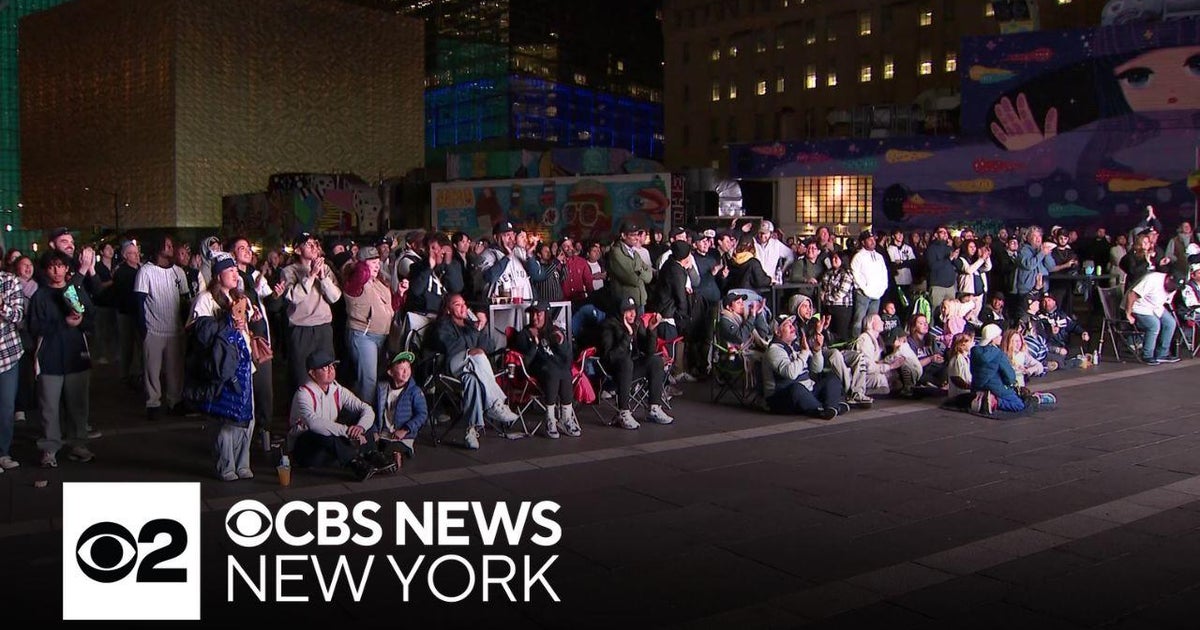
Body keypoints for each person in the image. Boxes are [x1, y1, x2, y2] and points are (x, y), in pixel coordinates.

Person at [184, 253, 255, 481]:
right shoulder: (205, 299)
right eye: (230, 270)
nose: (235, 274)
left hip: (244, 362)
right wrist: (226, 321)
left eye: (236, 270)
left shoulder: (240, 297)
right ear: (218, 275)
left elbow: (250, 322)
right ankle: (226, 464)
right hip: (222, 364)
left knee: (247, 415)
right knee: (225, 415)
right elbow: (200, 332)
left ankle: (243, 462)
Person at [29, 251, 95, 468]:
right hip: (50, 358)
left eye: (60, 266)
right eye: (51, 266)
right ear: (46, 270)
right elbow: (35, 327)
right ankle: (50, 448)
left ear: (68, 268)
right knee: (49, 407)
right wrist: (63, 322)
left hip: (76, 356)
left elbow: (91, 321)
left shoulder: (76, 290)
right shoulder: (40, 296)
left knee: (78, 404)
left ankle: (78, 444)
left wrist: (81, 321)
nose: (56, 271)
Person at [430, 294, 520, 449]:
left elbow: (490, 347)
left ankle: (471, 430)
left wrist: (479, 329)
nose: (463, 307)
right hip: (451, 368)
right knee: (477, 353)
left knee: (473, 381)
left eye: (464, 303)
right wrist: (472, 346)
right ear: (448, 310)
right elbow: (450, 348)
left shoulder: (470, 325)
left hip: (471, 370)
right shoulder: (442, 325)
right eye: (457, 304)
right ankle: (496, 403)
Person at [288, 350, 392, 481]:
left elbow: (366, 408)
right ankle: (354, 463)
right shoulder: (304, 393)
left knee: (360, 419)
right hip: (307, 449)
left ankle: (371, 454)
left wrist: (360, 428)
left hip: (329, 447)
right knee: (322, 432)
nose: (330, 370)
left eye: (332, 366)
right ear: (312, 373)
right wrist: (346, 431)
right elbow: (314, 423)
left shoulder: (337, 389)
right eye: (324, 368)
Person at [134, 234, 190, 421]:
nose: (170, 248)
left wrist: (184, 326)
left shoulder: (178, 272)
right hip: (154, 328)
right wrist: (144, 330)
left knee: (175, 369)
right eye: (166, 245)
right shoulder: (146, 272)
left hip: (175, 330)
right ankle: (153, 403)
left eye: (171, 245)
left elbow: (184, 301)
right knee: (152, 369)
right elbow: (139, 301)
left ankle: (174, 401)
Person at [599, 296, 674, 429]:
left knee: (655, 361)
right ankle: (623, 412)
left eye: (634, 310)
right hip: (615, 373)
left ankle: (654, 408)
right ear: (621, 312)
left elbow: (649, 351)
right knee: (626, 362)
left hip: (631, 369)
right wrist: (627, 335)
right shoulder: (608, 326)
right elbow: (610, 357)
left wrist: (651, 330)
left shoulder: (636, 324)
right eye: (628, 311)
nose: (633, 314)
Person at [280, 232, 342, 392]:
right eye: (308, 244)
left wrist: (323, 278)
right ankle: (303, 414)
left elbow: (335, 297)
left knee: (327, 375)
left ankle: (326, 412)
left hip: (323, 328)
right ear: (298, 250)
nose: (314, 247)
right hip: (301, 330)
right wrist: (311, 275)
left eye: (315, 243)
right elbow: (294, 297)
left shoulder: (326, 268)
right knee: (303, 377)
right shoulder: (288, 271)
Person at [512, 300, 581, 439]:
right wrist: (535, 344)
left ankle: (565, 418)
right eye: (532, 314)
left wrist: (561, 344)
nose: (535, 318)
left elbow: (567, 359)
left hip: (555, 370)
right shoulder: (524, 334)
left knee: (565, 372)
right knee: (553, 371)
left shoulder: (553, 331)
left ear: (546, 315)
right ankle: (550, 418)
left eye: (539, 314)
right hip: (535, 370)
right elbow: (524, 362)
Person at [761, 314, 844, 419]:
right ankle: (824, 408)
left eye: (792, 324)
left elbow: (816, 369)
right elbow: (791, 373)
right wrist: (804, 352)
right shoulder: (774, 350)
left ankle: (831, 407)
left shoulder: (795, 346)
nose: (792, 327)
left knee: (832, 378)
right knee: (796, 388)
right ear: (777, 332)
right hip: (781, 398)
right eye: (787, 325)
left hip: (807, 392)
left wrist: (817, 350)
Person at [342, 246, 395, 401]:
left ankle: (367, 412)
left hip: (382, 336)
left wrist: (400, 294)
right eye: (372, 262)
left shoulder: (378, 282)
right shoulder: (355, 283)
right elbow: (361, 274)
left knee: (373, 378)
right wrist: (361, 263)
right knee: (368, 380)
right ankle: (366, 419)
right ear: (362, 265)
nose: (377, 266)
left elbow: (390, 307)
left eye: (378, 262)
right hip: (363, 336)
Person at [373, 351, 427, 470]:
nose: (406, 371)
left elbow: (422, 415)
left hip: (402, 436)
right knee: (369, 445)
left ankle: (395, 455)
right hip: (384, 433)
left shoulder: (415, 391)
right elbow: (375, 411)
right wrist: (375, 430)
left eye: (408, 367)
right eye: (401, 368)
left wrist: (405, 429)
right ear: (391, 372)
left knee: (393, 447)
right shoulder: (382, 388)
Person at [0, 265, 26, 471]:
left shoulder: (9, 280)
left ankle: (3, 452)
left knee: (6, 407)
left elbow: (18, 316)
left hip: (7, 355)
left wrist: (2, 306)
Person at [1125, 271, 1179, 365]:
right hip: (1138, 306)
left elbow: (1166, 302)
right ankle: (1147, 355)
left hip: (1155, 306)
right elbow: (1132, 294)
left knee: (1170, 323)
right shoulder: (1153, 279)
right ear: (1169, 278)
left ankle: (1162, 354)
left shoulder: (1174, 287)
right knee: (1154, 325)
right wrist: (1128, 313)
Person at [969, 324, 1025, 414]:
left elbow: (971, 370)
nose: (1001, 337)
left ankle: (981, 396)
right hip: (995, 387)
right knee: (1018, 404)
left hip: (977, 386)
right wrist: (1012, 384)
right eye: (998, 335)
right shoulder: (998, 353)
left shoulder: (974, 351)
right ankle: (994, 402)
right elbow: (1009, 375)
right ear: (993, 338)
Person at [479, 221, 534, 302]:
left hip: (524, 305)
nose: (511, 238)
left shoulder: (520, 252)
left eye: (512, 235)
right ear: (496, 237)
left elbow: (537, 276)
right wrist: (507, 258)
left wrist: (530, 255)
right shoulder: (488, 254)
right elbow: (490, 277)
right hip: (501, 307)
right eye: (507, 235)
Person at [605, 221, 654, 313]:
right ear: (623, 235)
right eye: (632, 235)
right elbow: (632, 279)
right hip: (626, 302)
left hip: (640, 300)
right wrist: (641, 272)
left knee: (640, 327)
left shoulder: (634, 253)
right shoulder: (616, 252)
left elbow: (649, 277)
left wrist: (638, 271)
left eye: (637, 235)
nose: (636, 238)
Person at [849, 230, 888, 337]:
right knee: (859, 321)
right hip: (863, 294)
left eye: (873, 239)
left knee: (872, 322)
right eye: (869, 240)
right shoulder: (858, 256)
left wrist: (883, 287)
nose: (872, 241)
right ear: (863, 242)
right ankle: (856, 345)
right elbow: (855, 274)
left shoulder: (879, 256)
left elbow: (884, 273)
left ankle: (871, 343)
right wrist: (864, 288)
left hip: (877, 294)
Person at [819, 253, 855, 342]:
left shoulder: (847, 274)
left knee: (841, 334)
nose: (833, 260)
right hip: (828, 307)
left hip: (842, 308)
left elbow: (840, 294)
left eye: (836, 258)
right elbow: (822, 286)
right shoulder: (829, 272)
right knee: (828, 333)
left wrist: (826, 297)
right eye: (833, 258)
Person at [925, 226, 957, 309]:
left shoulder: (949, 248)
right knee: (936, 312)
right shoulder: (931, 249)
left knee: (951, 312)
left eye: (946, 232)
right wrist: (948, 259)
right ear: (936, 235)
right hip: (938, 287)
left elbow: (953, 264)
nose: (945, 234)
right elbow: (932, 266)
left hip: (950, 287)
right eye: (942, 232)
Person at [754, 220, 795, 285]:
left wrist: (782, 270)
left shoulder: (776, 244)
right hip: (755, 283)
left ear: (771, 233)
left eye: (765, 233)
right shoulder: (753, 243)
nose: (762, 236)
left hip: (770, 283)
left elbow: (790, 255)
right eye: (760, 233)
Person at [945, 332, 975, 406]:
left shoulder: (965, 358)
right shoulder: (957, 358)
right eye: (970, 341)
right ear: (962, 344)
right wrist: (970, 387)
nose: (973, 343)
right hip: (959, 395)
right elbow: (956, 378)